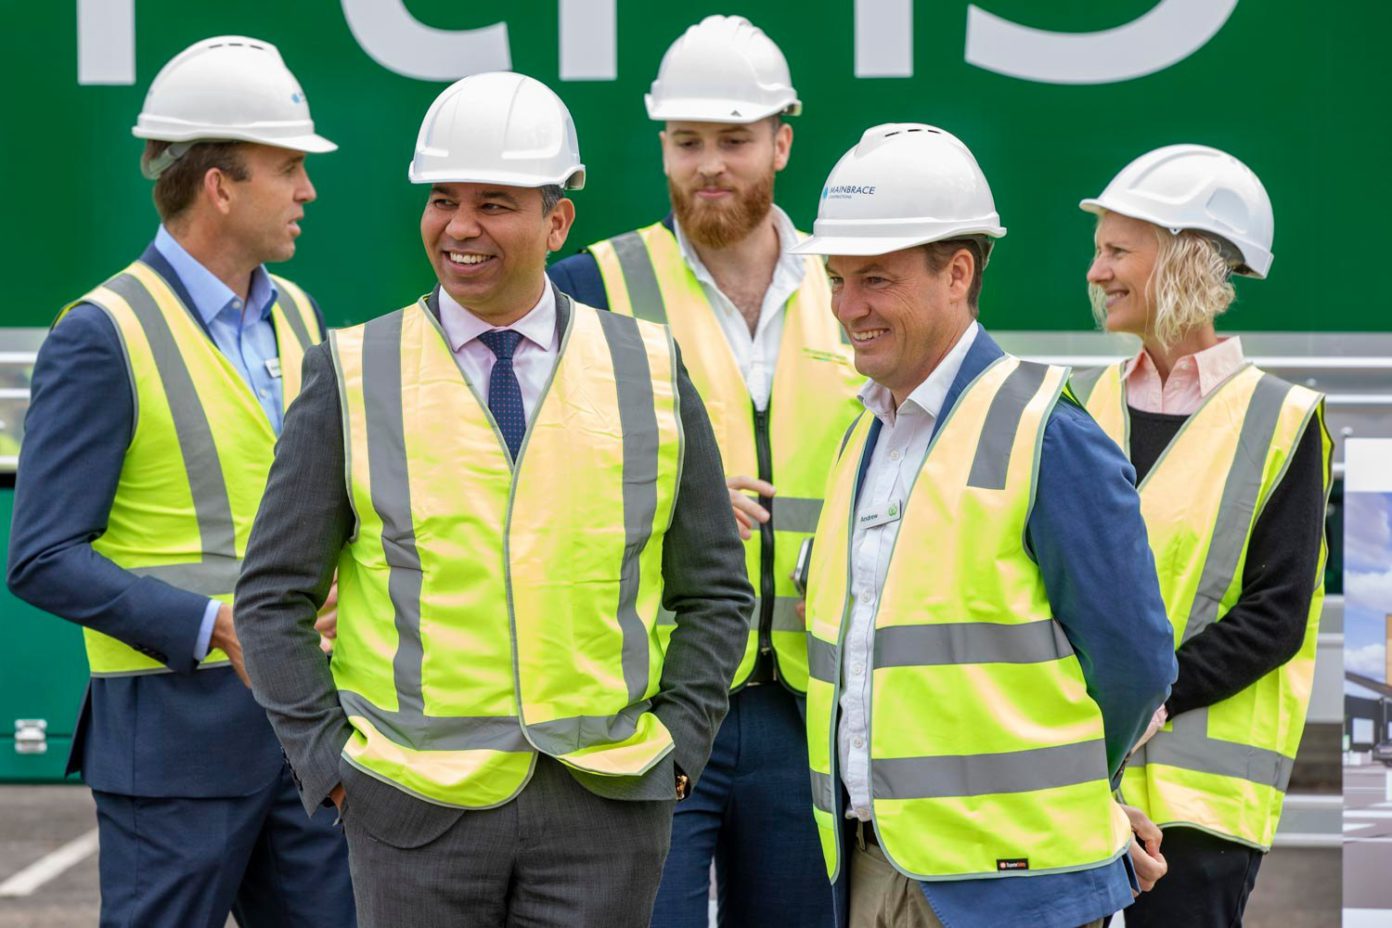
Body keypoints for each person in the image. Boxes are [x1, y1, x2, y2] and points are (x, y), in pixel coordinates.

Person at [232, 71, 754, 928]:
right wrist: (330, 766)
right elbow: (271, 595)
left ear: (557, 221)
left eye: (495, 203)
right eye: (444, 199)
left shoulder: (649, 369)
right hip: (410, 811)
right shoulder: (353, 372)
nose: (460, 227)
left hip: (605, 805)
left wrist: (679, 747)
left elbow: (715, 591)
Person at [792, 124, 1178, 928]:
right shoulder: (863, 437)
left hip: (1018, 889)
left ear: (957, 273)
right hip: (873, 869)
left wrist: (1074, 797)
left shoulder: (1047, 433)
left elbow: (1137, 667)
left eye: (874, 280)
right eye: (836, 280)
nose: (846, 308)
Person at [6, 35, 352, 927]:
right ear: (219, 185)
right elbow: (41, 555)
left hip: (307, 730)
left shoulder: (301, 315)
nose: (308, 189)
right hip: (170, 749)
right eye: (288, 168)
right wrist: (210, 625)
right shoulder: (102, 332)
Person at [549, 18, 861, 924]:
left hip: (809, 705)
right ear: (662, 149)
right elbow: (528, 473)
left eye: (735, 140)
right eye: (689, 143)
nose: (711, 165)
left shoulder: (851, 288)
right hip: (657, 700)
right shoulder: (593, 287)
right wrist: (662, 500)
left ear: (782, 142)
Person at [1071, 145, 1332, 928]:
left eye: (1118, 251)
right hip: (1079, 790)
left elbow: (1276, 617)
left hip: (1201, 809)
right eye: (1098, 250)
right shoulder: (1082, 405)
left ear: (1186, 259)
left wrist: (1148, 692)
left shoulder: (1282, 419)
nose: (1096, 271)